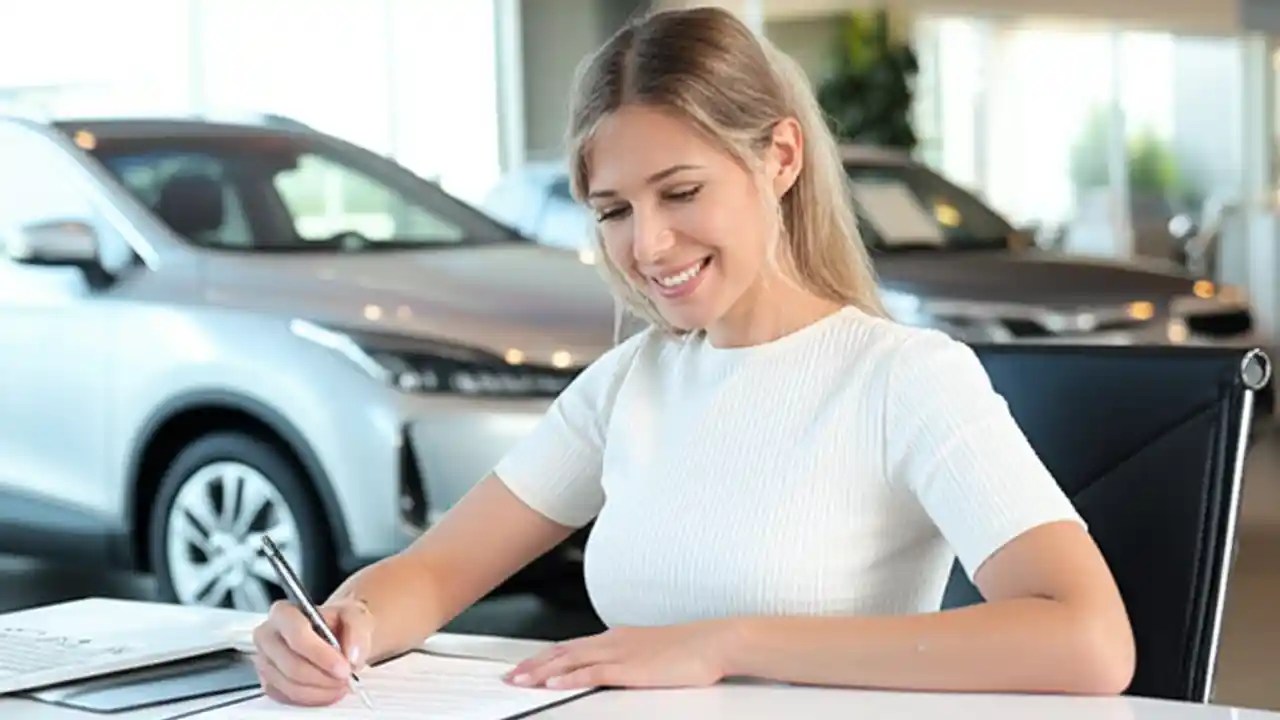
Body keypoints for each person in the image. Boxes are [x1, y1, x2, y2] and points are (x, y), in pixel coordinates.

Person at [251, 6, 1136, 706]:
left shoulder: (904, 378)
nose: (650, 243)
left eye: (681, 192)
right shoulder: (626, 385)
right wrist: (343, 625)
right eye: (613, 210)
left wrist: (725, 642)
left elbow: (1089, 640)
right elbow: (437, 571)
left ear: (780, 157)